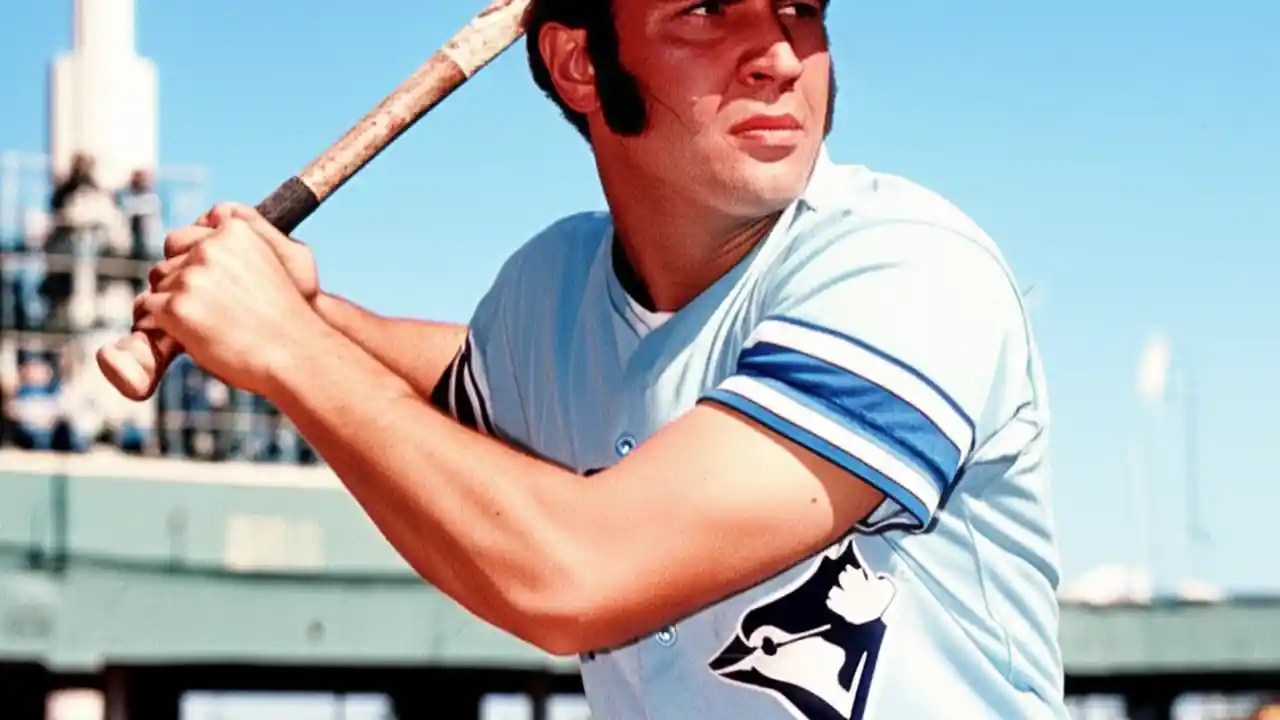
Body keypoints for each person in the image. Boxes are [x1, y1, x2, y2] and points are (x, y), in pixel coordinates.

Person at [132, 0, 1067, 717]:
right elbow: (462, 398)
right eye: (706, 9)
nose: (780, 56)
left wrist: (285, 348)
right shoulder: (554, 286)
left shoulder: (906, 266)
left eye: (801, 8)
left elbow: (573, 572)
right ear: (580, 61)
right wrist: (300, 309)